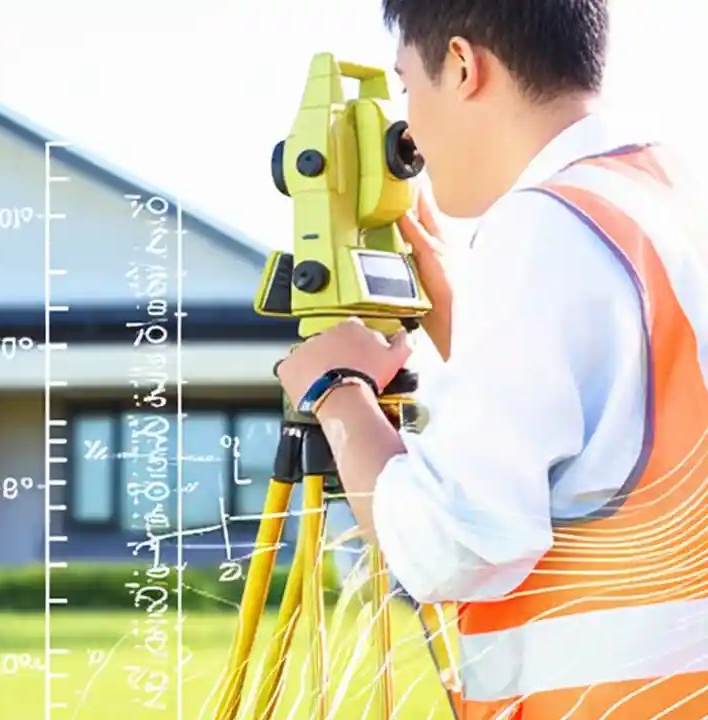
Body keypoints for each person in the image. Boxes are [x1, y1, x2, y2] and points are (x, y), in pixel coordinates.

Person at [274, 1, 708, 718]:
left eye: (407, 87)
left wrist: (339, 394)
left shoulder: (539, 230)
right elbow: (627, 422)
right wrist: (468, 321)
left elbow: (458, 544)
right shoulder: (664, 195)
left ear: (465, 66)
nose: (407, 130)